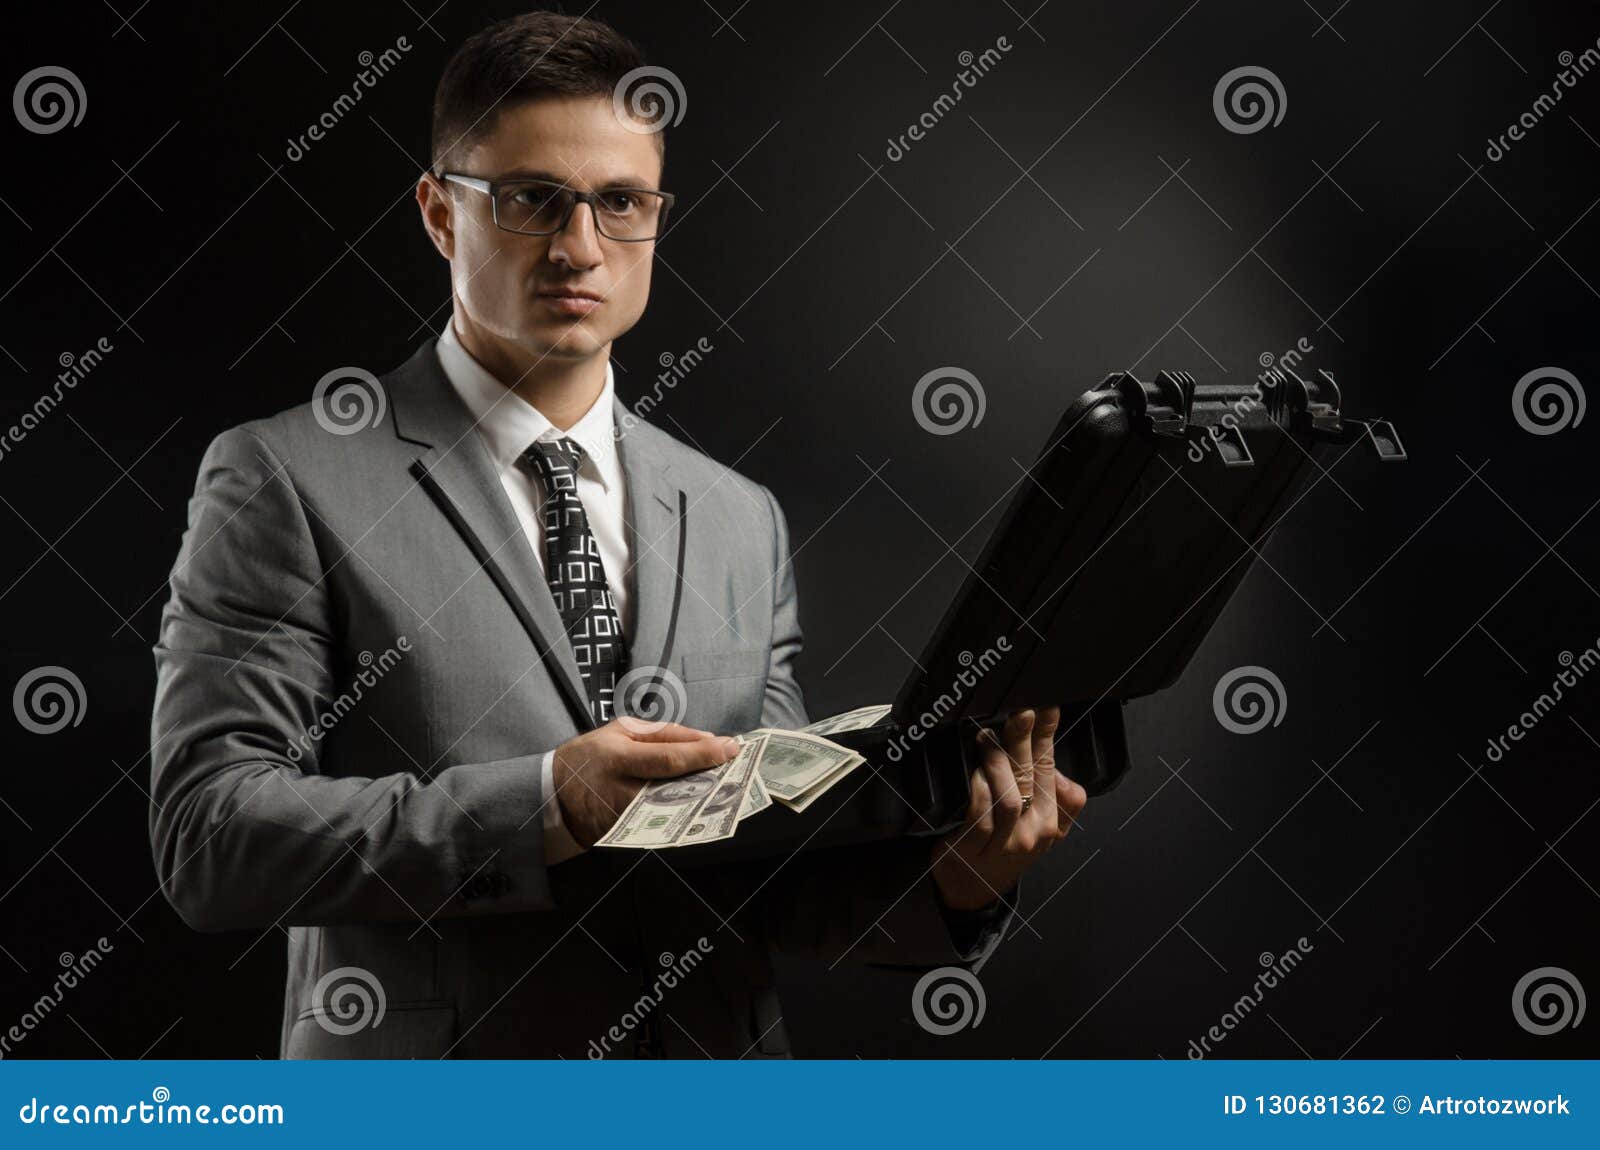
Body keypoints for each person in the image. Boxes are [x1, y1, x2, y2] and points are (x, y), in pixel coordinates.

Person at [149, 10, 1086, 1059]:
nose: (578, 246)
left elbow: (767, 876)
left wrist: (959, 874)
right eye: (530, 199)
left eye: (619, 203)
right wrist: (545, 804)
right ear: (439, 213)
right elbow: (211, 836)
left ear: (655, 214)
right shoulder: (285, 475)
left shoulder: (737, 516)